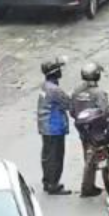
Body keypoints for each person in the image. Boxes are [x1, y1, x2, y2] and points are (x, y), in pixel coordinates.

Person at [69, 62, 109, 198]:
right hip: (96, 130)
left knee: (88, 155)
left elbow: (72, 111)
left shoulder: (76, 91)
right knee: (95, 158)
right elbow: (104, 111)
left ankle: (90, 185)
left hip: (82, 129)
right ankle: (87, 188)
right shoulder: (99, 93)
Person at [37, 57, 72, 195]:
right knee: (56, 157)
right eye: (59, 69)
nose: (61, 71)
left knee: (47, 156)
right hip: (54, 127)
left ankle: (47, 182)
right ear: (54, 73)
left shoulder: (45, 86)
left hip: (45, 127)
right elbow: (68, 104)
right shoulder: (55, 90)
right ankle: (53, 185)